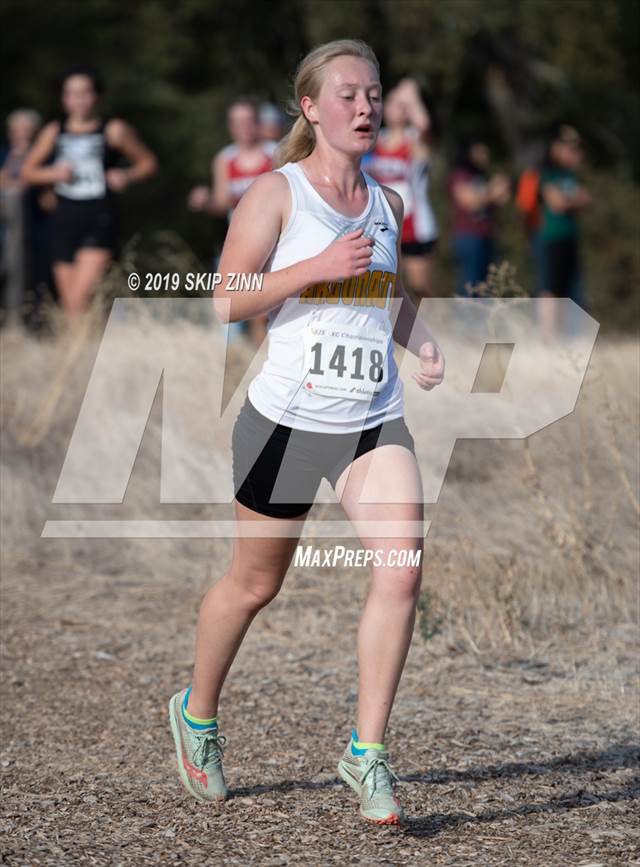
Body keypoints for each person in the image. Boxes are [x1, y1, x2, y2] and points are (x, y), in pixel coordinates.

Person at [168, 39, 445, 826]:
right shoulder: (276, 194)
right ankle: (198, 713)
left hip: (372, 421)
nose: (366, 107)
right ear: (312, 108)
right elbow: (226, 299)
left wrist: (417, 341)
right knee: (256, 584)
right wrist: (316, 264)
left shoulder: (389, 202)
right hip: (286, 422)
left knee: (400, 571)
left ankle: (366, 754)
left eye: (375, 93)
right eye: (350, 95)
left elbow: (386, 292)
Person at [20, 66, 157, 320]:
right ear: (63, 98)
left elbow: (148, 163)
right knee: (72, 303)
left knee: (79, 299)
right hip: (63, 218)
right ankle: (83, 352)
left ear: (97, 96)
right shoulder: (54, 131)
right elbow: (28, 171)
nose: (78, 99)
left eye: (85, 92)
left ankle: (89, 350)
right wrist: (54, 174)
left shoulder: (114, 129)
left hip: (99, 216)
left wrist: (126, 175)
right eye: (71, 93)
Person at [188, 97, 277, 346]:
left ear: (258, 123)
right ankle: (237, 364)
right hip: (239, 243)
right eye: (237, 122)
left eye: (248, 121)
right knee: (230, 308)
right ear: (230, 127)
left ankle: (262, 364)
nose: (243, 128)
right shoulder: (225, 159)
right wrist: (205, 202)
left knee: (263, 311)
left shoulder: (276, 153)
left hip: (275, 241)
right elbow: (221, 203)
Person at [365, 78, 439, 302]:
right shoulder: (375, 140)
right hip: (383, 224)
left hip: (415, 224)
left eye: (401, 105)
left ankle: (439, 329)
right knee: (387, 289)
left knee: (420, 288)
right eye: (391, 103)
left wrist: (412, 95)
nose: (394, 108)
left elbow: (424, 126)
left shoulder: (414, 139)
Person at [538, 124, 591, 339]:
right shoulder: (547, 174)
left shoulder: (571, 175)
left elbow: (587, 198)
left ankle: (570, 335)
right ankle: (548, 336)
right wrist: (573, 199)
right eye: (568, 146)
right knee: (551, 287)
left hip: (570, 238)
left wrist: (572, 200)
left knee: (573, 289)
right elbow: (557, 202)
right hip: (552, 238)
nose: (573, 152)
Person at [448, 139, 510, 297]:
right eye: (480, 151)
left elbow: (498, 201)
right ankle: (465, 320)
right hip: (469, 237)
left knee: (487, 287)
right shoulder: (460, 175)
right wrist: (492, 191)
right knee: (470, 285)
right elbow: (469, 201)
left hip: (486, 235)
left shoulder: (481, 175)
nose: (485, 155)